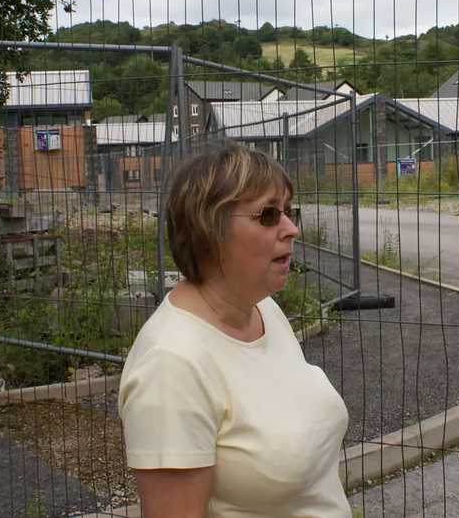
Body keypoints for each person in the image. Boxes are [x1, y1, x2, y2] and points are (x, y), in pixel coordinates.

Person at [117, 143, 351, 518]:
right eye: (269, 215)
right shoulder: (171, 365)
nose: (291, 229)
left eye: (288, 212)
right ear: (209, 228)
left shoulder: (263, 311)